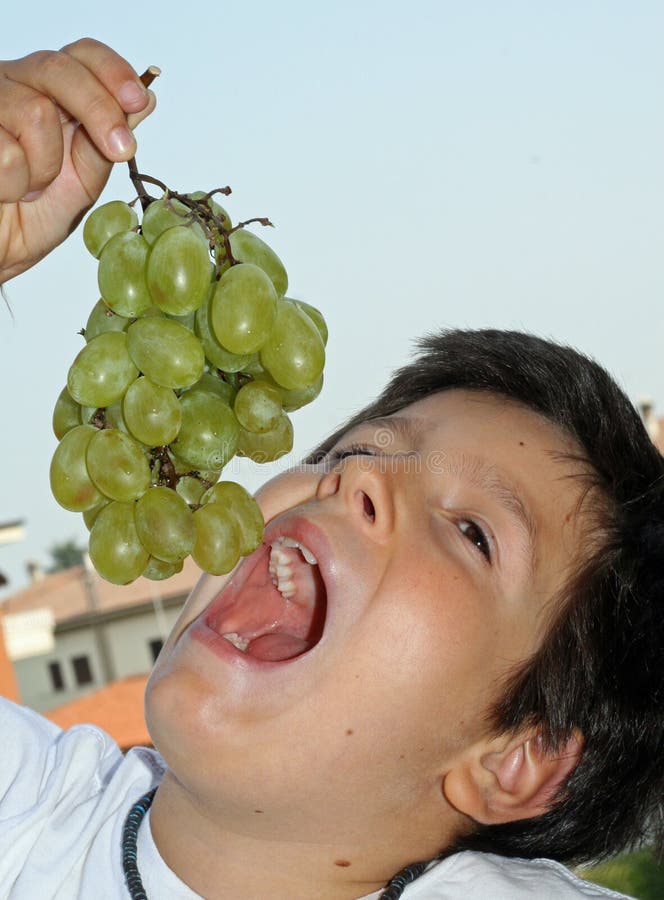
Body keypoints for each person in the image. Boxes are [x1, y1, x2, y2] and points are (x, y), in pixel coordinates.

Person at [0, 38, 661, 900]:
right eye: (350, 451)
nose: (357, 482)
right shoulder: (31, 814)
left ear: (515, 758)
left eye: (472, 532)